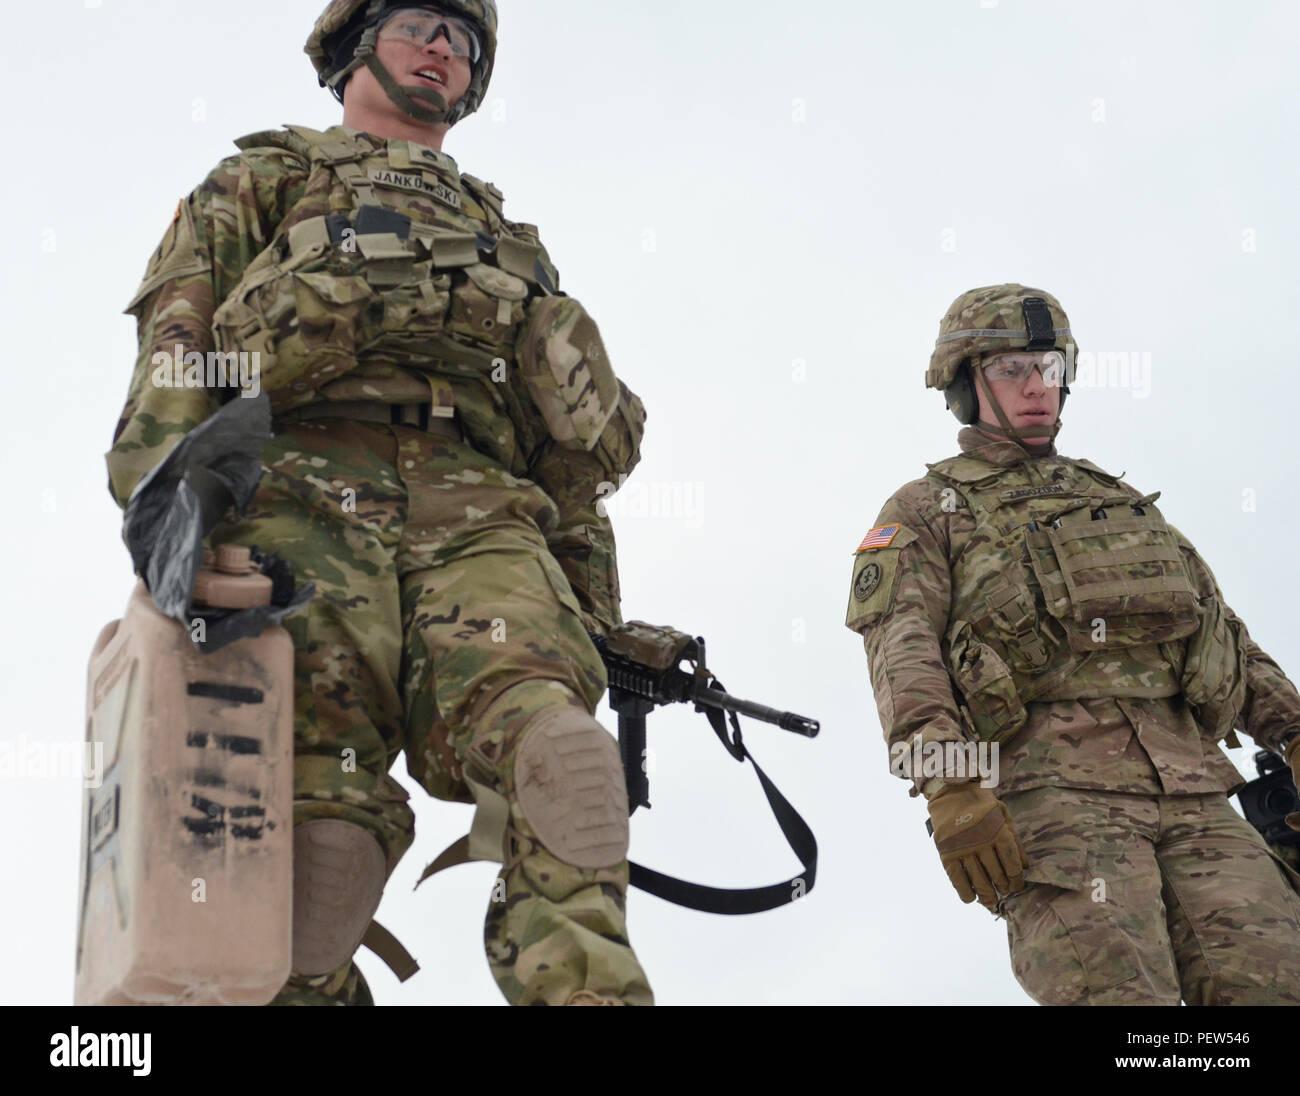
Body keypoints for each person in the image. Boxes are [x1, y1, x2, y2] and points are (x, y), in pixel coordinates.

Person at [105, 0, 653, 1006]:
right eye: (421, 24)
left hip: (483, 507)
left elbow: (564, 454)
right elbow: (178, 350)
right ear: (357, 45)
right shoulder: (264, 177)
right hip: (300, 489)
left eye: (467, 39)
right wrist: (179, 529)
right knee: (322, 842)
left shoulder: (506, 237)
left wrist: (599, 615)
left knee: (565, 758)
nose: (447, 47)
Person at [844, 283, 1300, 1005]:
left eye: (1049, 369)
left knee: (1274, 982)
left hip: (1198, 789)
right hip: (1055, 799)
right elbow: (903, 652)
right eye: (1012, 370)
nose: (1037, 388)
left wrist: (1295, 732)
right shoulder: (927, 509)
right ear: (965, 385)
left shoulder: (1120, 502)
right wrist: (951, 785)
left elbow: (1221, 635)